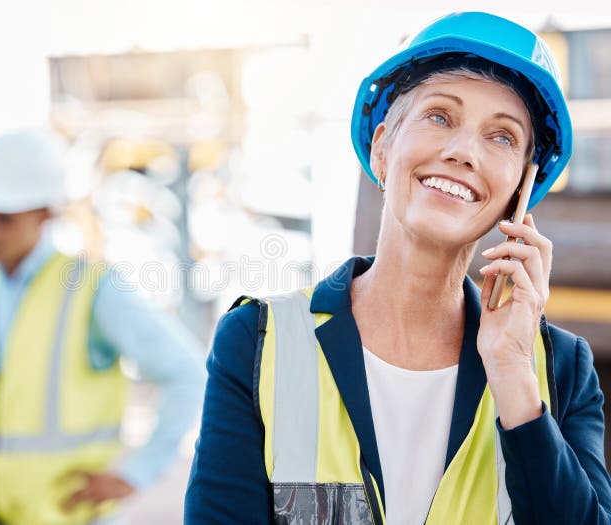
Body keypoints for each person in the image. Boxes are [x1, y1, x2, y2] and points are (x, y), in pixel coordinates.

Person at [185, 11, 611, 525]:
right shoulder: (257, 344)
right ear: (382, 148)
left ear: (521, 191)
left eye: (502, 137)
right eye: (440, 116)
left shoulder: (560, 370)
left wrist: (512, 369)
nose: (463, 152)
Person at [0, 129, 206, 525]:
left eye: (4, 218)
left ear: (44, 214)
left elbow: (186, 371)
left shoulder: (90, 287)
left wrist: (135, 474)